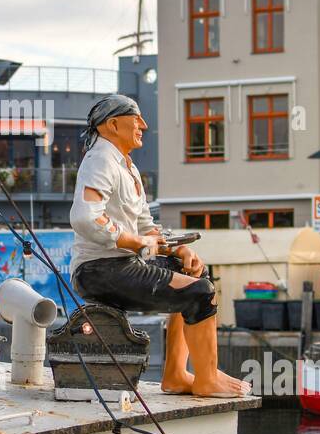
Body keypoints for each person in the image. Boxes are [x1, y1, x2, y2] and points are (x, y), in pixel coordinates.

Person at [69, 95, 250, 398]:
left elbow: (144, 225)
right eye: (135, 118)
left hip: (123, 264)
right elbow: (85, 217)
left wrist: (179, 250)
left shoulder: (128, 167)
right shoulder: (100, 159)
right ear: (112, 125)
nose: (144, 125)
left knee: (192, 277)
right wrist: (137, 242)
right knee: (199, 292)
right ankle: (206, 379)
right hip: (99, 269)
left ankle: (177, 375)